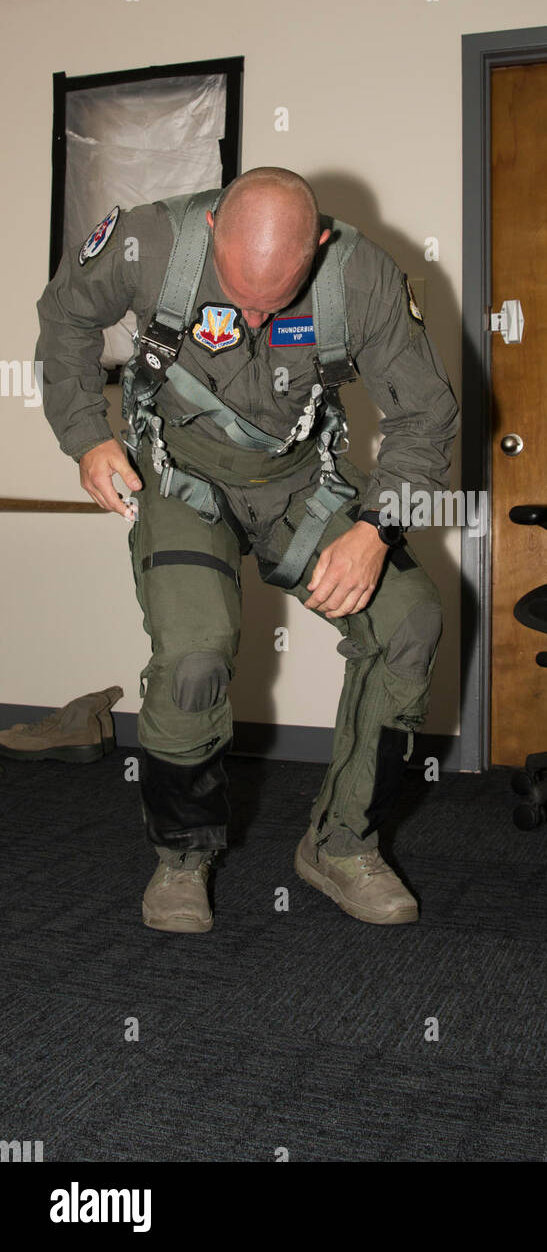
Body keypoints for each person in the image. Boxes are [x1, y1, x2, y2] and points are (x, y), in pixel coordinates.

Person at [36, 167, 459, 934]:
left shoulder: (359, 272)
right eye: (238, 292)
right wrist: (86, 436)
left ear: (319, 245)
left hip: (302, 485)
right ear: (208, 234)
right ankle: (181, 857)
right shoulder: (146, 241)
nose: (256, 316)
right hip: (181, 478)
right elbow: (65, 315)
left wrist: (375, 530)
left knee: (409, 620)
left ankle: (341, 845)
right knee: (195, 658)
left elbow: (425, 416)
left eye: (277, 297)